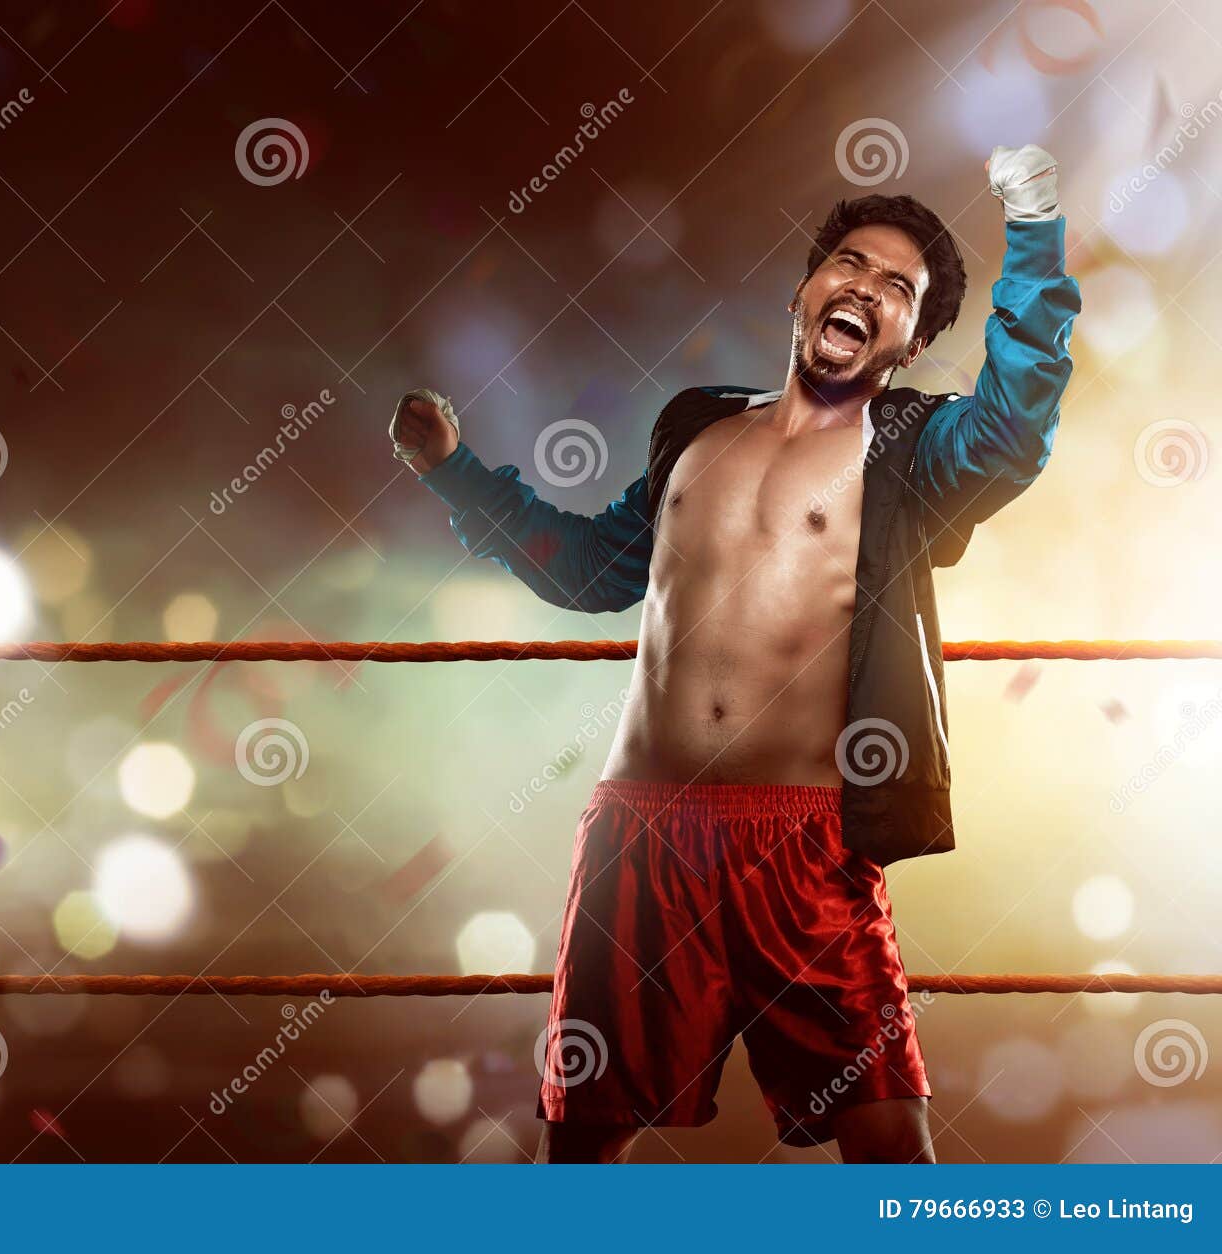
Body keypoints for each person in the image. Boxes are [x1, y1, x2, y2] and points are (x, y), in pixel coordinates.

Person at [389, 145, 1081, 1162]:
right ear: (805, 292)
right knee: (578, 1151)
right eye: (850, 263)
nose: (867, 288)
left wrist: (1033, 224)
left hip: (806, 849)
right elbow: (587, 570)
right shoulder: (695, 426)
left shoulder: (915, 450)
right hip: (641, 834)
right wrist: (455, 475)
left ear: (911, 341)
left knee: (890, 1149)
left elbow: (1016, 423)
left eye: (899, 288)